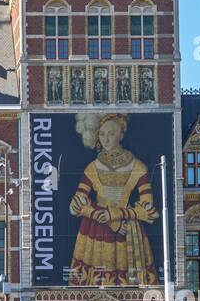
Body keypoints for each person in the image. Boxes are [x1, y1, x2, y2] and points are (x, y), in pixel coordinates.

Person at [67, 113, 158, 286]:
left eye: (111, 133)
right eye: (102, 134)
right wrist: (102, 217)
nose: (106, 139)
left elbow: (149, 210)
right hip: (95, 229)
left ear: (121, 134)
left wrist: (116, 214)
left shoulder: (138, 167)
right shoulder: (92, 167)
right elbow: (75, 205)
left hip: (127, 230)